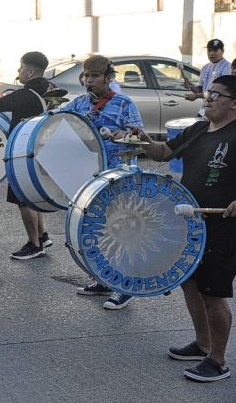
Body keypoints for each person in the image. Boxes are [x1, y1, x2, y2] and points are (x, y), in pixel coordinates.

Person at [126, 75, 236, 383]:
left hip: (224, 226)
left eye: (217, 94)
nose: (209, 98)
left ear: (234, 103)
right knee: (191, 284)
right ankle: (202, 344)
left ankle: (218, 361)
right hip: (191, 222)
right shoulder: (199, 129)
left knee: (214, 294)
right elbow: (163, 153)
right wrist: (144, 139)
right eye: (209, 93)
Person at [61, 55, 144, 311]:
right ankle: (105, 279)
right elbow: (61, 126)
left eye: (94, 76)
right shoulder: (79, 103)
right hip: (91, 177)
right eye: (86, 76)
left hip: (119, 175)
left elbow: (137, 135)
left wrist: (120, 134)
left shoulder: (123, 103)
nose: (88, 80)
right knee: (97, 231)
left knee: (122, 232)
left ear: (108, 78)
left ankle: (126, 287)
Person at [0, 51, 52, 260]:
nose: (18, 71)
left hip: (22, 152)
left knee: (23, 199)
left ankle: (34, 245)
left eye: (21, 67)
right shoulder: (45, 90)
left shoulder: (26, 95)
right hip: (36, 149)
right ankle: (42, 236)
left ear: (31, 71)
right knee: (32, 196)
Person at [185, 39, 231, 117]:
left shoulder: (228, 67)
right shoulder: (205, 67)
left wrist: (196, 96)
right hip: (205, 109)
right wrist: (190, 86)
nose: (211, 53)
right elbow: (200, 89)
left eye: (215, 50)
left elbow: (217, 94)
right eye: (209, 50)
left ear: (222, 51)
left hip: (219, 111)